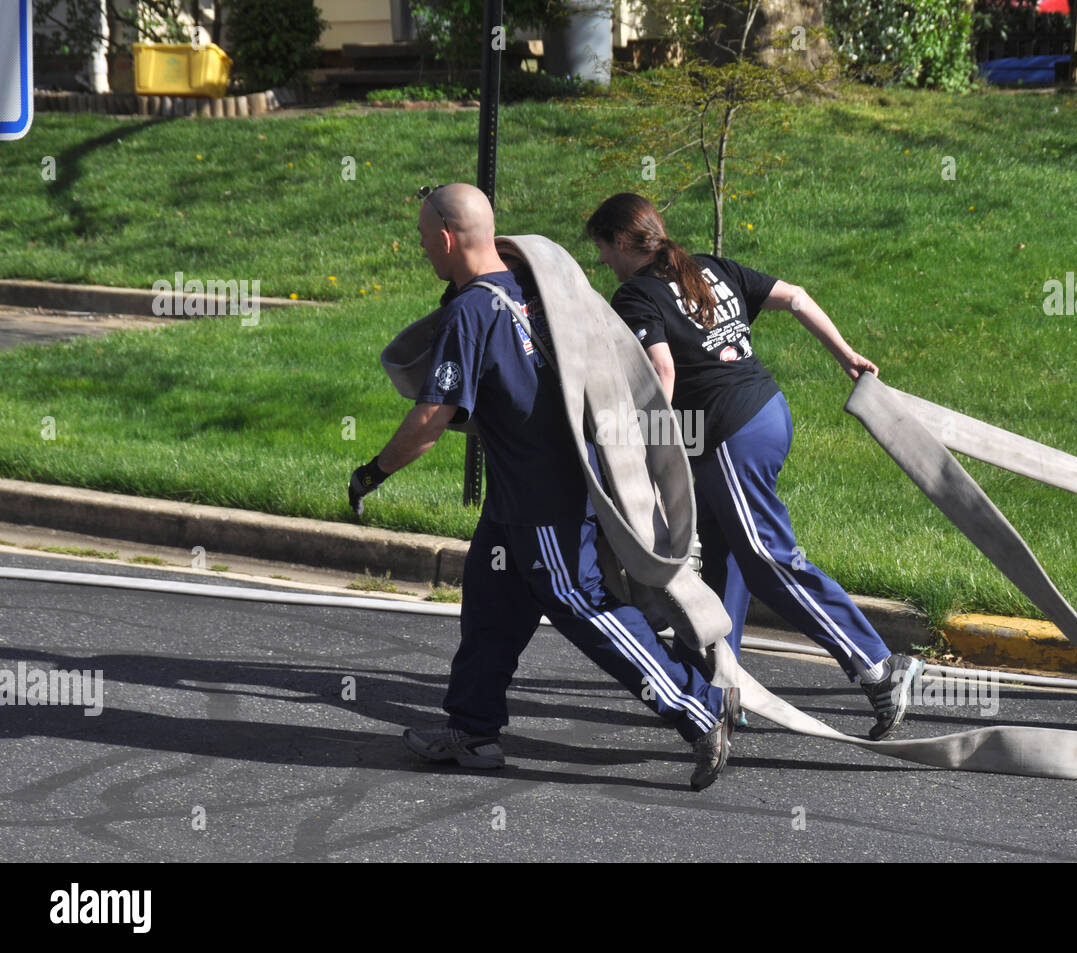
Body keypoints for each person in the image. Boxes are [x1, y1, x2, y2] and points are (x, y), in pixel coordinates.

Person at [348, 184, 738, 789]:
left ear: (448, 238)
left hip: (544, 497)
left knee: (581, 605)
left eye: (426, 239)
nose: (424, 250)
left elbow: (430, 422)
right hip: (522, 497)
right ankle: (472, 730)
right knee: (491, 603)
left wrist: (371, 473)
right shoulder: (532, 288)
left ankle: (697, 706)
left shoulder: (470, 312)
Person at [585, 192, 922, 740]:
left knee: (767, 557)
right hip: (767, 414)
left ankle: (880, 665)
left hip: (726, 436)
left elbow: (661, 377)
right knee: (724, 564)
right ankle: (721, 687)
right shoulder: (710, 267)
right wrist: (846, 356)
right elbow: (796, 297)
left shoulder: (638, 295)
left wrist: (645, 459)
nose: (604, 263)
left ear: (623, 242)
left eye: (604, 251)